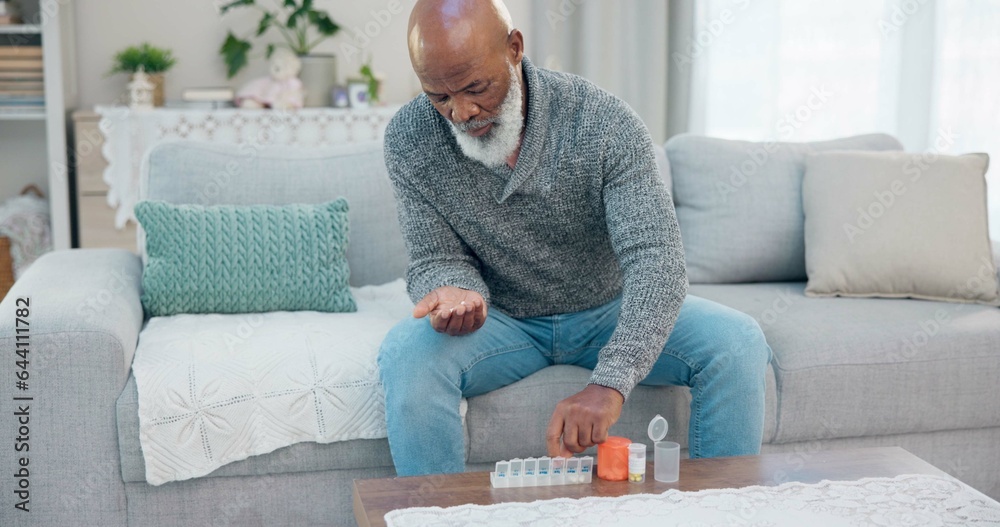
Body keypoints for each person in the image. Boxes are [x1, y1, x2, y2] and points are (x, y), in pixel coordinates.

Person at [378, 0, 772, 477]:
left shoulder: (603, 122)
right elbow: (434, 258)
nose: (460, 112)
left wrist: (610, 383)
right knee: (407, 354)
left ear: (515, 49)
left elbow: (657, 262)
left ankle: (723, 512)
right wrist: (458, 290)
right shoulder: (410, 136)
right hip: (502, 321)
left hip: (608, 308)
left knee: (738, 342)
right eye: (438, 96)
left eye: (475, 88)